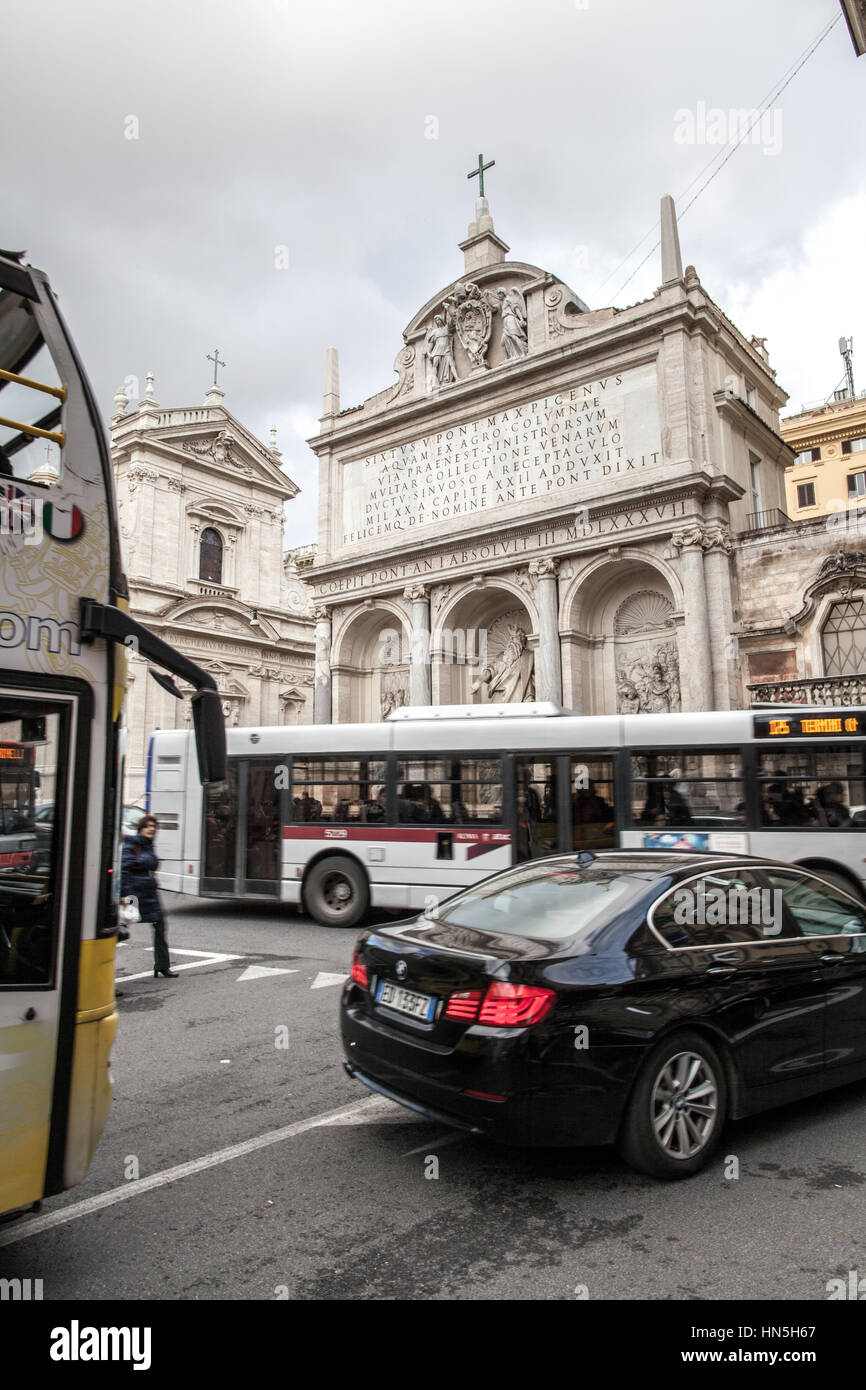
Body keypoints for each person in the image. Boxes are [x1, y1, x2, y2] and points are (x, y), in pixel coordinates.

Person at [121, 814, 177, 978]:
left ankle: (162, 965)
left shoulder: (148, 845)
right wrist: (124, 894)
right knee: (120, 930)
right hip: (134, 893)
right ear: (140, 829)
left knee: (160, 925)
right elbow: (124, 869)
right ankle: (107, 973)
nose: (152, 829)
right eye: (148, 826)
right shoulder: (132, 844)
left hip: (150, 893)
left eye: (154, 826)